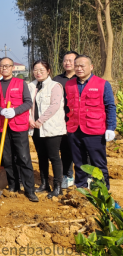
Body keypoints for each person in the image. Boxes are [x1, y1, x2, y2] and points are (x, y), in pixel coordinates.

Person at [0, 57, 38, 202]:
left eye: (7, 66)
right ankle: (14, 186)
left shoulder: (21, 83)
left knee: (23, 157)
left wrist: (15, 111)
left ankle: (29, 189)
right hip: (2, 125)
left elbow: (28, 102)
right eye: (1, 66)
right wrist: (0, 110)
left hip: (18, 125)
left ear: (12, 68)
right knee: (7, 159)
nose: (4, 68)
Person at [66, 55, 116, 190]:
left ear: (91, 67)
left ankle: (103, 189)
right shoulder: (69, 84)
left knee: (98, 162)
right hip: (74, 130)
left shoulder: (102, 84)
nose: (79, 68)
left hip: (95, 130)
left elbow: (110, 106)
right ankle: (81, 187)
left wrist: (111, 127)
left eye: (82, 66)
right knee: (79, 162)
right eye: (76, 66)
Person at [28, 60, 66, 199]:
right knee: (41, 156)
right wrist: (30, 120)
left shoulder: (55, 86)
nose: (38, 72)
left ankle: (57, 186)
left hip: (51, 128)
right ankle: (44, 183)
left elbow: (54, 106)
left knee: (54, 157)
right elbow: (26, 104)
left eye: (41, 69)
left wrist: (40, 121)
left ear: (48, 71)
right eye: (35, 69)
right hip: (35, 128)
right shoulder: (31, 86)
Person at [53, 51, 80, 189]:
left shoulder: (81, 78)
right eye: (65, 60)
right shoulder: (56, 79)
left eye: (71, 60)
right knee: (65, 149)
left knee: (81, 150)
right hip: (61, 120)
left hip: (78, 121)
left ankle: (83, 177)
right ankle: (67, 175)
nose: (67, 63)